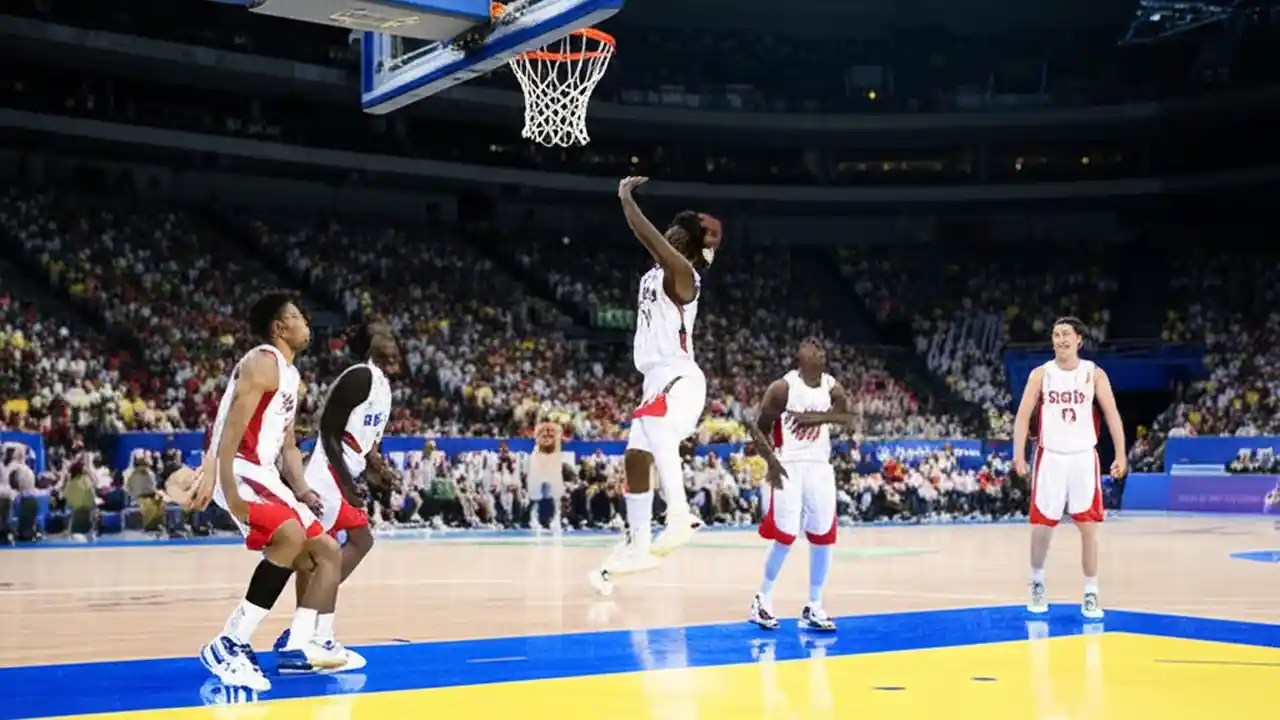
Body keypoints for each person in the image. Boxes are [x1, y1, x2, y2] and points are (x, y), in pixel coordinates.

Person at [189, 293, 348, 691]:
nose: (306, 323)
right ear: (280, 327)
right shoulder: (263, 361)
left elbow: (289, 445)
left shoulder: (292, 376)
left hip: (265, 474)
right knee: (290, 537)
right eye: (298, 317)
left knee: (326, 550)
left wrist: (304, 490)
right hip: (240, 469)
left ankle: (298, 645)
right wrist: (224, 483)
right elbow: (230, 427)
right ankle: (230, 641)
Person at [589, 176, 723, 595]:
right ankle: (641, 544)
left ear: (691, 247)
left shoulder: (683, 274)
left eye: (680, 233)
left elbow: (647, 236)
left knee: (659, 430)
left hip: (680, 377)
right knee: (634, 458)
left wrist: (627, 200)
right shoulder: (655, 273)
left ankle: (680, 515)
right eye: (671, 229)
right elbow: (652, 244)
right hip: (654, 381)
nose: (671, 234)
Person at [271, 320, 401, 670]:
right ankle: (308, 635)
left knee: (341, 549)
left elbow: (368, 442)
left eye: (395, 352)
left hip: (344, 471)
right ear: (370, 351)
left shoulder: (385, 390)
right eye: (385, 351)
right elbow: (328, 430)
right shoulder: (360, 376)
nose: (393, 357)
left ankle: (305, 628)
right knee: (325, 554)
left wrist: (379, 467)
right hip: (328, 472)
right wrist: (346, 482)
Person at [1012, 316, 1126, 620]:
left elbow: (1112, 414)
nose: (1060, 339)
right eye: (1056, 334)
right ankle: (1036, 581)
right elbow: (1023, 417)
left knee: (1088, 527)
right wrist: (1018, 454)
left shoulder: (1094, 374)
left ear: (1079, 340)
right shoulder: (1040, 375)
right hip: (1050, 457)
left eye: (1066, 334)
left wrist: (1120, 454)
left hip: (1083, 457)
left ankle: (1091, 592)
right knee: (1042, 527)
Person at [743, 338, 851, 632]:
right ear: (800, 360)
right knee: (786, 536)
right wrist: (771, 464)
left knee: (823, 537)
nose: (817, 355)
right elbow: (758, 429)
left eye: (821, 352)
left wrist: (817, 418)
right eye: (811, 352)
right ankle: (762, 599)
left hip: (819, 467)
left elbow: (847, 416)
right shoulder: (782, 389)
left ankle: (814, 606)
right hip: (788, 465)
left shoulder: (830, 386)